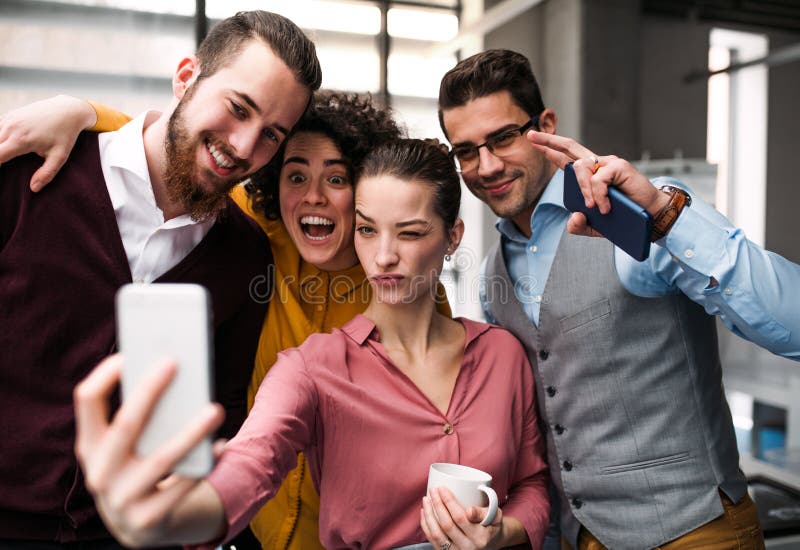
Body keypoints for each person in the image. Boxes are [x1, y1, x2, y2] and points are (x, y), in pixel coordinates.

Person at [0, 91, 452, 550]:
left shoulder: (402, 282)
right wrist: (84, 112)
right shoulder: (261, 231)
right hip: (247, 523)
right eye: (295, 175)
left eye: (337, 178)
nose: (313, 195)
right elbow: (175, 147)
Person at [72, 138, 551, 550]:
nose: (384, 256)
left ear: (452, 238)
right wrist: (166, 516)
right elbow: (253, 462)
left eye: (411, 233)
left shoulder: (502, 355)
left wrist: (501, 530)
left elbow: (532, 483)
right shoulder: (312, 369)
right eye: (367, 230)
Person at [437, 48, 800, 550]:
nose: (487, 165)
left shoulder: (646, 211)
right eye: (466, 151)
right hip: (577, 538)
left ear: (546, 124)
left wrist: (661, 213)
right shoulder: (494, 271)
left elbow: (794, 324)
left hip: (694, 531)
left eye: (503, 137)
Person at [0, 10, 321, 548]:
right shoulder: (29, 175)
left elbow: (220, 416)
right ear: (186, 77)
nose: (243, 147)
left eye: (270, 135)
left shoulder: (246, 255)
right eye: (237, 108)